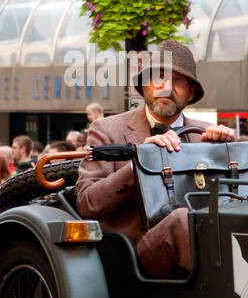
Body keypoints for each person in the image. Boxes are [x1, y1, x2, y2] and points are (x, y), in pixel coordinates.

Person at [77, 41, 237, 279]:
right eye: (158, 77)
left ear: (191, 93)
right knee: (183, 219)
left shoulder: (207, 134)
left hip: (206, 245)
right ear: (144, 85)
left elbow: (235, 202)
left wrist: (227, 151)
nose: (166, 87)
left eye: (179, 81)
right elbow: (88, 205)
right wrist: (139, 162)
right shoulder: (107, 129)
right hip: (132, 256)